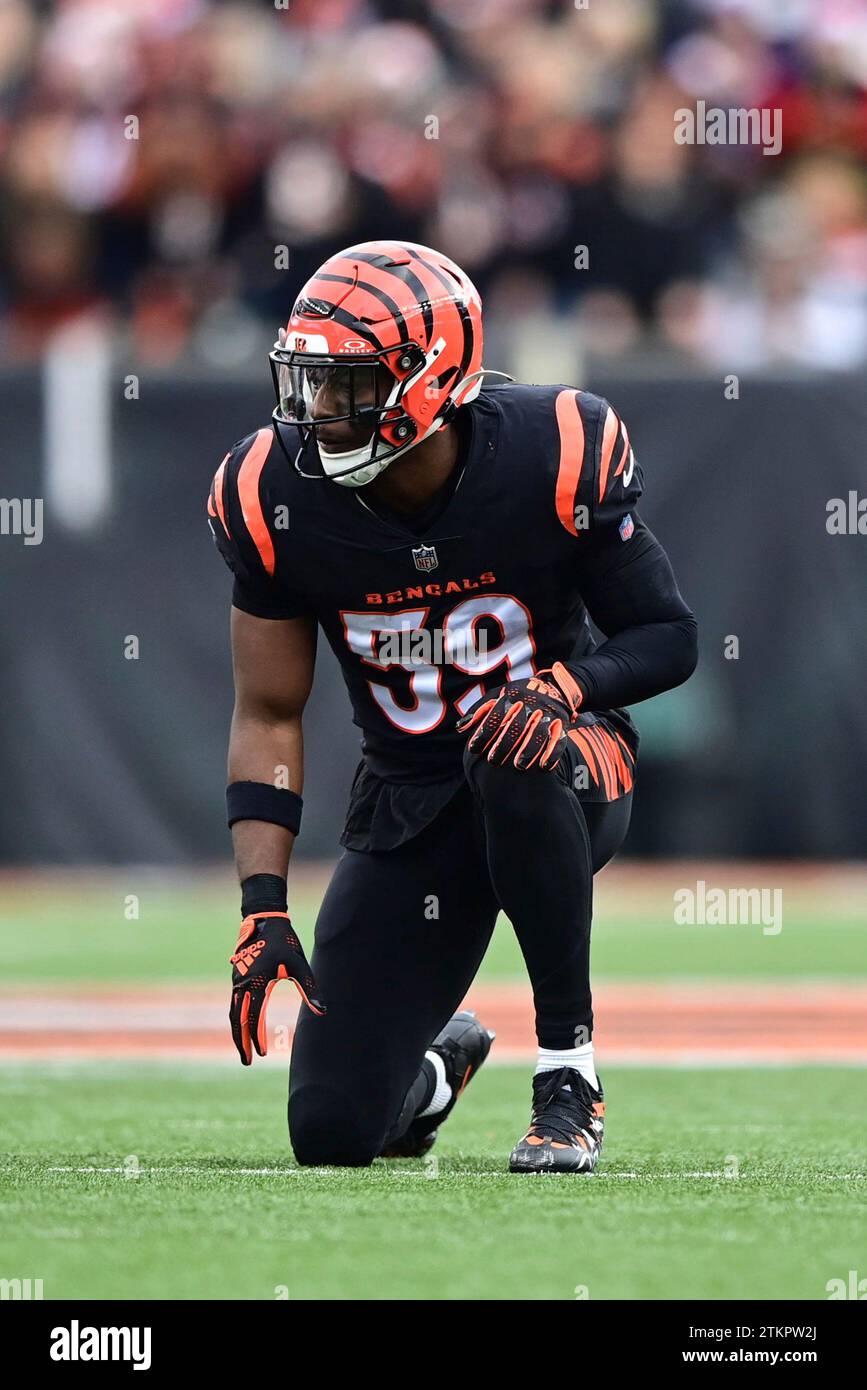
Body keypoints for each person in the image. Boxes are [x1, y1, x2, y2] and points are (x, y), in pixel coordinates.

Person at [209, 240, 698, 1173]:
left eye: (345, 386)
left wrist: (558, 690)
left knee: (504, 746)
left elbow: (666, 637)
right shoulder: (268, 494)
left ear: (431, 379)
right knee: (331, 1134)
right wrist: (262, 904)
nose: (316, 413)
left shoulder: (555, 447)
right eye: (305, 383)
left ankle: (569, 1077)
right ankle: (437, 1073)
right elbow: (269, 711)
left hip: (564, 757)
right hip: (410, 795)